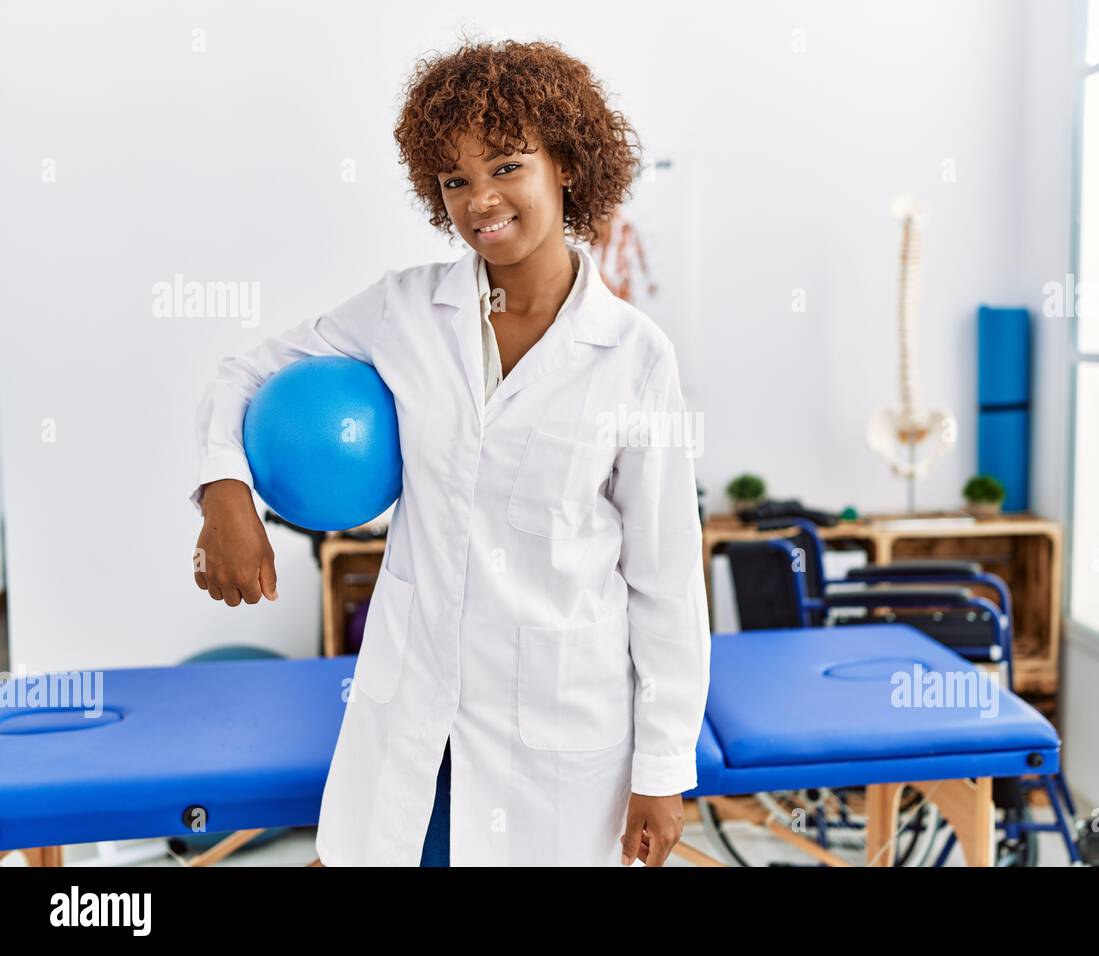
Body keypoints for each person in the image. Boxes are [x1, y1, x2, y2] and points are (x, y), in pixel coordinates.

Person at [189, 35, 710, 867]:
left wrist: (663, 771)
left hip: (560, 732)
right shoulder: (405, 310)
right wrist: (226, 493)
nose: (481, 200)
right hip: (417, 724)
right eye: (455, 179)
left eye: (507, 166)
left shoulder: (635, 356)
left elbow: (667, 582)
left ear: (566, 166)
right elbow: (248, 370)